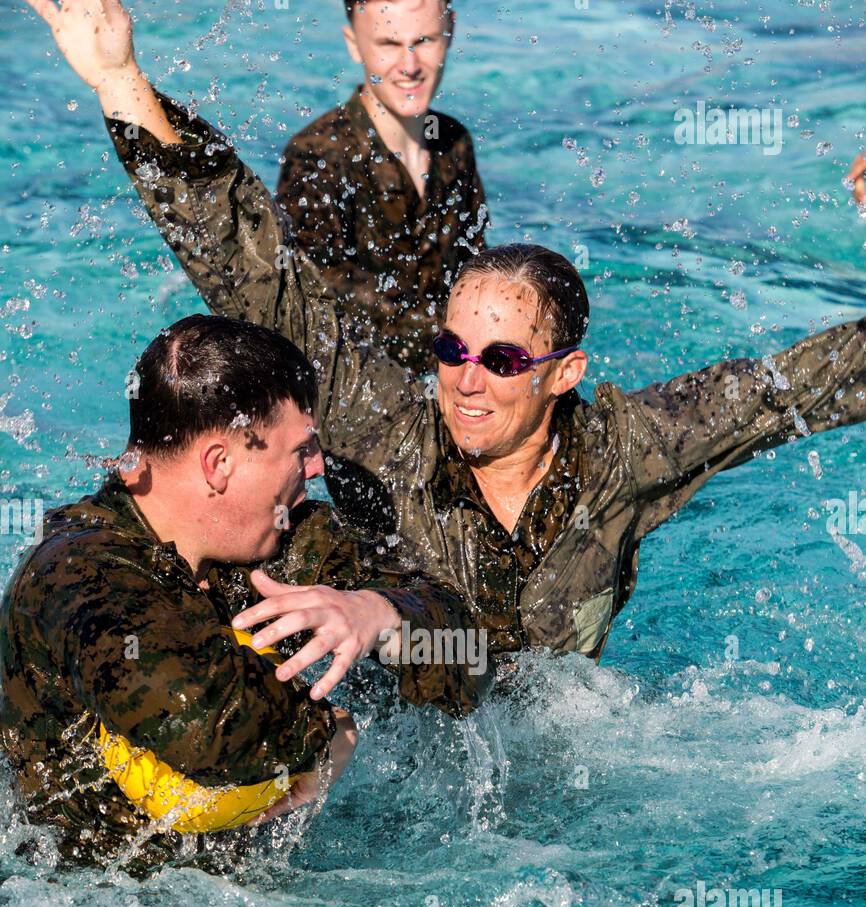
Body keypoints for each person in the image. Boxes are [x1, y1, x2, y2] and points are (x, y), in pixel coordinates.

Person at [26, 0, 866, 664]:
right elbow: (257, 274)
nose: (465, 381)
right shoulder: (385, 426)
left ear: (563, 374)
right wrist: (122, 83)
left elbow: (808, 383)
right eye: (451, 351)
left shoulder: (628, 447)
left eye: (502, 360)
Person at [0, 314, 492, 870]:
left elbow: (472, 656)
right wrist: (331, 735)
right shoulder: (75, 576)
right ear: (219, 464)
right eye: (301, 450)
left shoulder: (276, 538)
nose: (316, 469)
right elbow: (201, 725)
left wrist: (379, 616)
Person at [275, 0, 488, 373]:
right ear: (353, 43)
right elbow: (312, 308)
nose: (409, 66)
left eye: (424, 40)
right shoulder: (316, 157)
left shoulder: (454, 143)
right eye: (388, 45)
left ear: (450, 31)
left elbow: (478, 272)